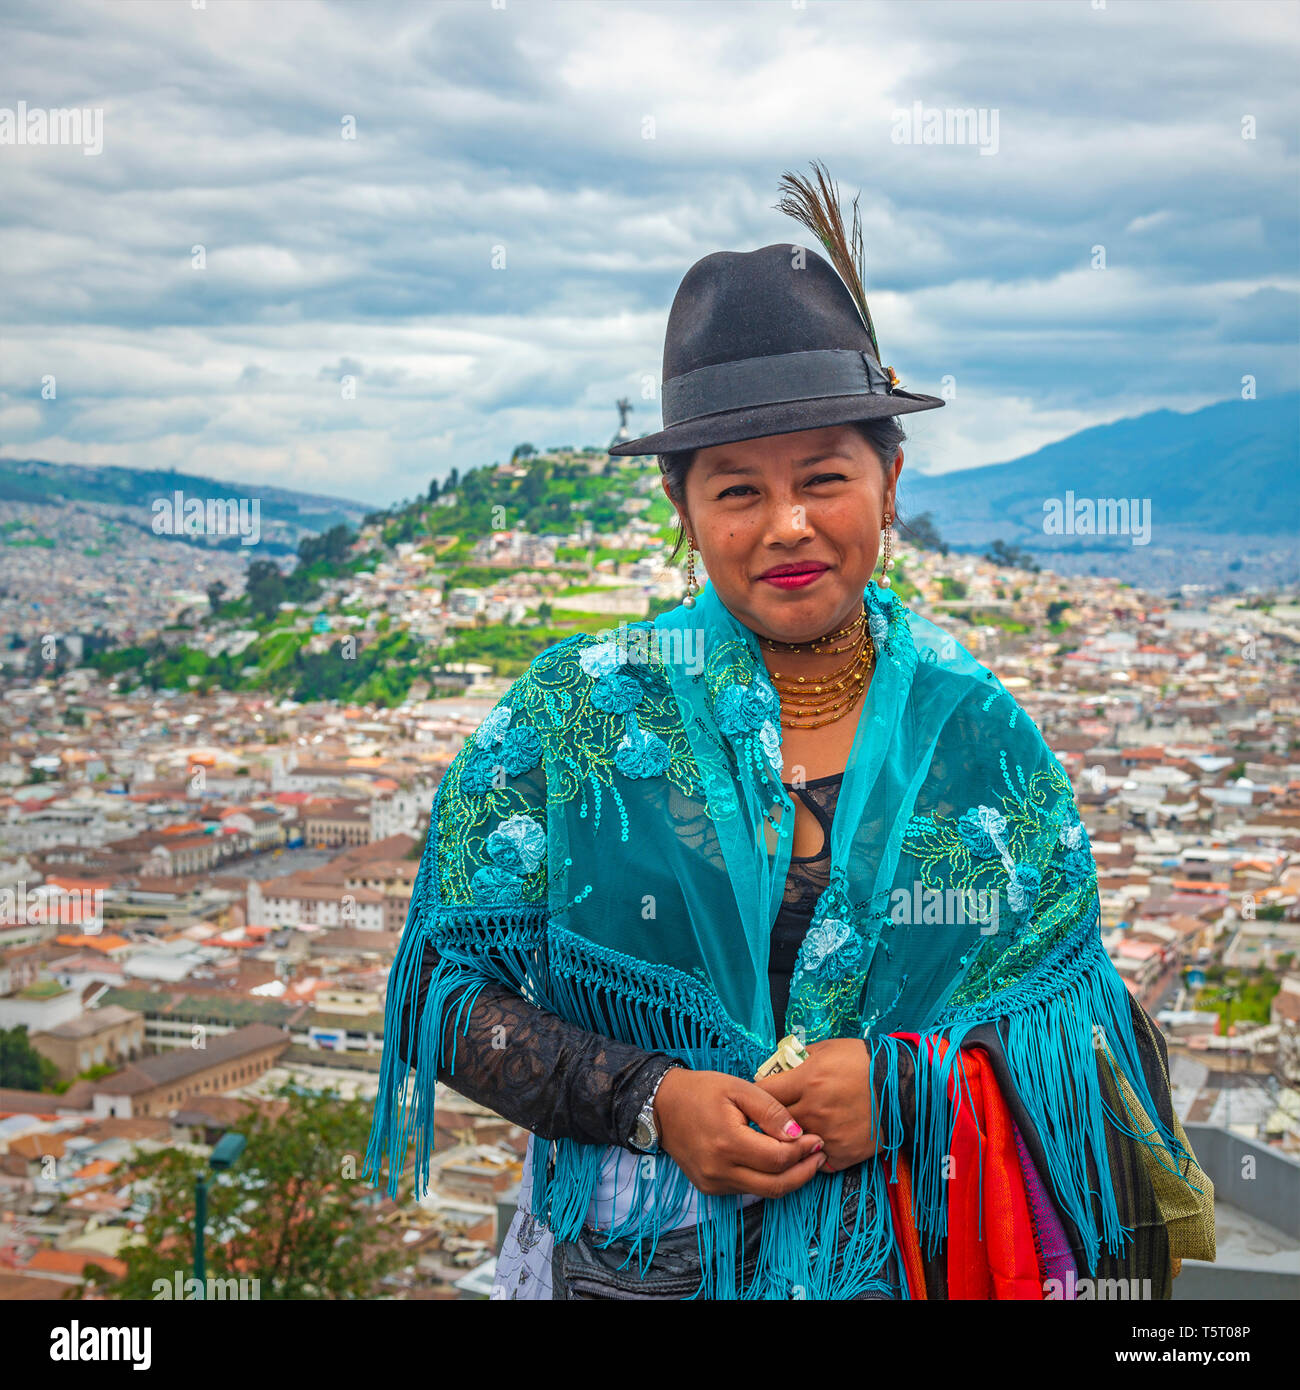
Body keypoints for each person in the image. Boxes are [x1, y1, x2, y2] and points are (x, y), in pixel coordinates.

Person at [364, 162, 1213, 1300]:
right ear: (682, 511)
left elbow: (1076, 1034)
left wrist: (909, 1090)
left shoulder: (978, 738)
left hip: (909, 1253)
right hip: (630, 1265)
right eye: (736, 490)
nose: (789, 525)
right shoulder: (574, 716)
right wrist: (650, 1098)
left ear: (890, 480)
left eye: (824, 475)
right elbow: (439, 995)